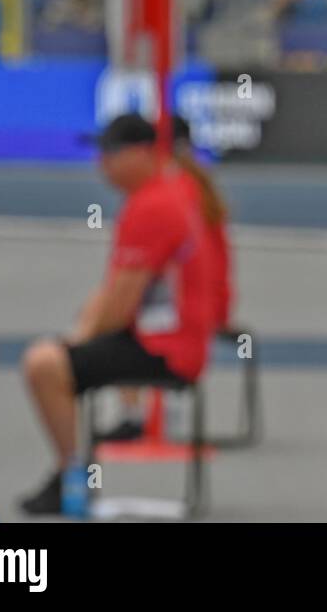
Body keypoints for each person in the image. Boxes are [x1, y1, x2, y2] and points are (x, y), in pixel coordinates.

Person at [19, 113, 216, 514]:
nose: (101, 164)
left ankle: (70, 477)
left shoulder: (153, 205)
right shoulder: (169, 191)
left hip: (168, 349)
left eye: (111, 153)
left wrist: (75, 342)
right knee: (67, 349)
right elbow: (119, 293)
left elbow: (119, 305)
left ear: (143, 153)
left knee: (43, 364)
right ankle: (81, 463)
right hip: (172, 337)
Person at [96, 115, 235, 443]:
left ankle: (137, 412)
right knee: (123, 299)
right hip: (203, 298)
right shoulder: (194, 185)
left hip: (192, 308)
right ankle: (138, 410)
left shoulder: (178, 190)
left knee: (120, 309)